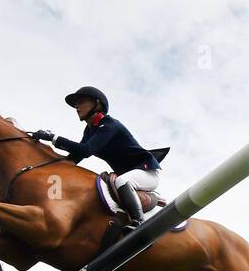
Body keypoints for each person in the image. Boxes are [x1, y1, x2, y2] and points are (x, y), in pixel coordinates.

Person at [31, 87, 168, 224]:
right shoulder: (90, 130)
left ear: (97, 104)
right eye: (75, 104)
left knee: (122, 181)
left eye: (81, 102)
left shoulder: (110, 125)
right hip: (129, 174)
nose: (77, 107)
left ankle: (138, 223)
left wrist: (53, 138)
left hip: (147, 172)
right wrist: (43, 156)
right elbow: (74, 158)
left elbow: (85, 150)